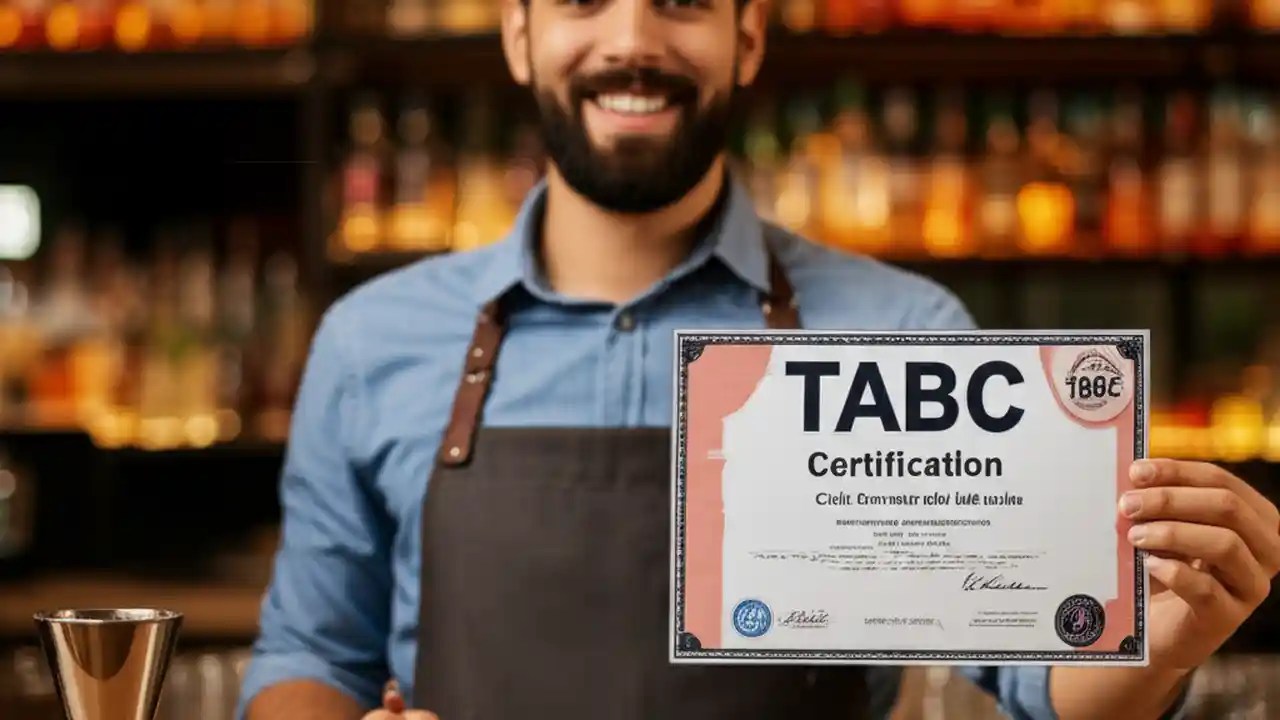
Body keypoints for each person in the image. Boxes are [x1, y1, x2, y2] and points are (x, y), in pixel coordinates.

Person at [237, 1, 1280, 718]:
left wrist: (1166, 636)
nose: (630, 42)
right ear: (518, 36)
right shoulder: (372, 340)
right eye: (582, 4)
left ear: (747, 39)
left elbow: (1037, 672)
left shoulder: (902, 330)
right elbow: (309, 657)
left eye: (684, 3)